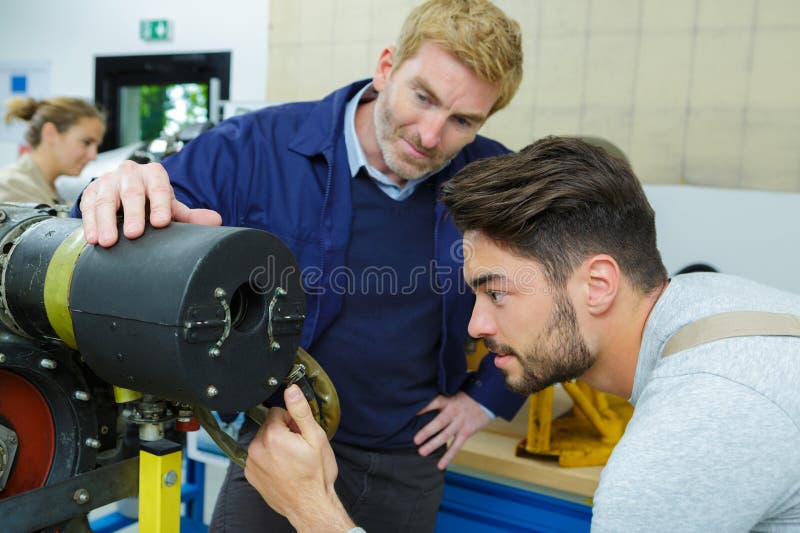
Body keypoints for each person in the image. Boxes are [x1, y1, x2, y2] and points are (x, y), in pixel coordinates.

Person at [73, 1, 526, 530]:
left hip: (409, 462)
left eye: (462, 120)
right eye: (423, 97)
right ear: (386, 67)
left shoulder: (496, 181)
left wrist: (487, 401)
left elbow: (551, 299)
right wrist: (118, 190)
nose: (430, 135)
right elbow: (139, 210)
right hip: (279, 442)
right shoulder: (256, 148)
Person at [245, 136, 800, 532]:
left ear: (598, 283)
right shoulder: (731, 304)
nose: (476, 325)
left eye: (497, 292)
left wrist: (315, 513)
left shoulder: (688, 440)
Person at [1, 97, 105, 205]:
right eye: (86, 142)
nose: (93, 156)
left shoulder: (45, 190)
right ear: (50, 133)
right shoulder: (12, 187)